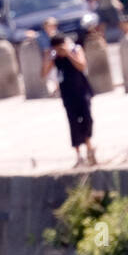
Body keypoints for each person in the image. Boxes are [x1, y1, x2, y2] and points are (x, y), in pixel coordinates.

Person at [48, 33, 96, 167]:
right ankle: (79, 155)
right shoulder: (55, 57)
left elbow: (82, 66)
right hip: (67, 94)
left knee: (87, 118)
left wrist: (68, 53)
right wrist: (49, 57)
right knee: (73, 123)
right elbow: (44, 73)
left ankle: (89, 147)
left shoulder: (75, 49)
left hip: (82, 90)